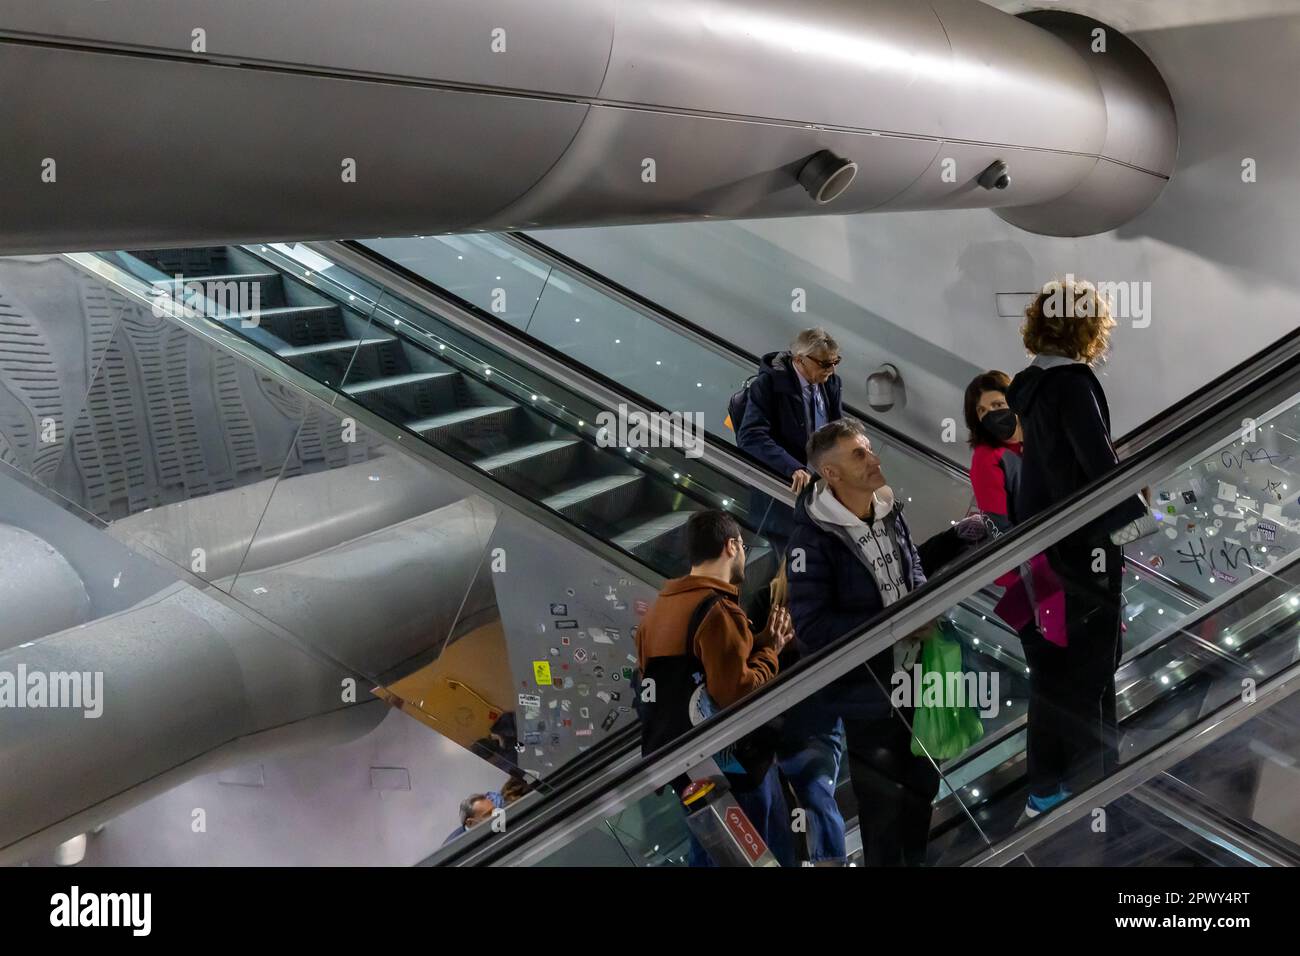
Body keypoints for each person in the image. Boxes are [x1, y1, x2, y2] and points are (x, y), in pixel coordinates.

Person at [1006, 279, 1146, 813]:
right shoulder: (1072, 382)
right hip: (1085, 550)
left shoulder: (1030, 385)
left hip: (1043, 550)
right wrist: (1138, 528)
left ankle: (1047, 787)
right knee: (1092, 670)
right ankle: (1092, 791)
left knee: (1054, 668)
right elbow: (1099, 466)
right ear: (1088, 328)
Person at [786, 418, 940, 866]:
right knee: (883, 810)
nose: (873, 459)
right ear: (829, 474)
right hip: (867, 694)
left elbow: (913, 569)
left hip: (917, 677)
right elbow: (813, 629)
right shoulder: (812, 539)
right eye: (859, 454)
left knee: (922, 790)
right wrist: (895, 625)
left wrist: (925, 604)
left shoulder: (889, 510)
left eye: (870, 449)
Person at [635, 509, 795, 866]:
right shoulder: (717, 610)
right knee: (754, 853)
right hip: (734, 767)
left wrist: (757, 641)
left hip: (686, 764)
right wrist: (771, 651)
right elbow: (736, 694)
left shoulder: (659, 611)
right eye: (742, 547)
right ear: (732, 546)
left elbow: (694, 670)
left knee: (711, 851)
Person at [965, 370, 1068, 816]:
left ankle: (1073, 772)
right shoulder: (989, 458)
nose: (993, 414)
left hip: (1064, 573)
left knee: (1069, 677)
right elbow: (998, 527)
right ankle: (1043, 790)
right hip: (1031, 586)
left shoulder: (1040, 439)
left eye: (997, 403)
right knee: (1048, 684)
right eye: (983, 411)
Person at [746, 560, 848, 865]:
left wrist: (801, 640)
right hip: (767, 722)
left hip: (815, 721)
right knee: (772, 809)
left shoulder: (831, 606)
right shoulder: (768, 600)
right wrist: (772, 642)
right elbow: (748, 655)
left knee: (817, 796)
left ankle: (830, 860)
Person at [737, 328, 845, 547]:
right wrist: (793, 467)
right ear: (800, 359)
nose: (831, 370)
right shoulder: (768, 385)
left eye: (835, 362)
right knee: (792, 568)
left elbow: (836, 430)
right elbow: (750, 436)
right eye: (825, 364)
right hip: (781, 498)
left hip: (819, 497)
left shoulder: (831, 384)